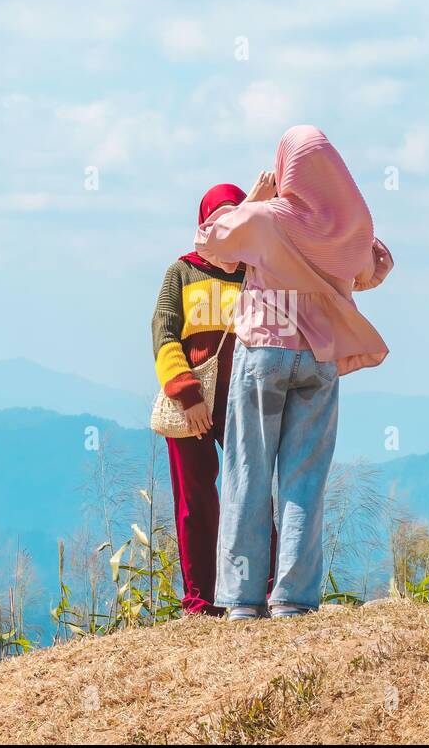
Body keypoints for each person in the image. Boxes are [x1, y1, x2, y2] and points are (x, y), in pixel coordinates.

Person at [194, 126, 393, 620]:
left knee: (248, 471)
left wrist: (255, 199)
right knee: (304, 480)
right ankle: (294, 600)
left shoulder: (267, 218)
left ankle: (242, 601)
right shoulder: (349, 226)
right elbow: (373, 269)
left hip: (264, 348)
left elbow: (210, 244)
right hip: (320, 357)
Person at [151, 184, 247, 616]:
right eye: (218, 219)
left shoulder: (259, 273)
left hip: (246, 400)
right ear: (204, 224)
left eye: (236, 218)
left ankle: (260, 590)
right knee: (195, 500)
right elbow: (164, 331)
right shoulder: (182, 272)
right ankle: (200, 601)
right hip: (192, 403)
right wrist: (188, 394)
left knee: (252, 493)